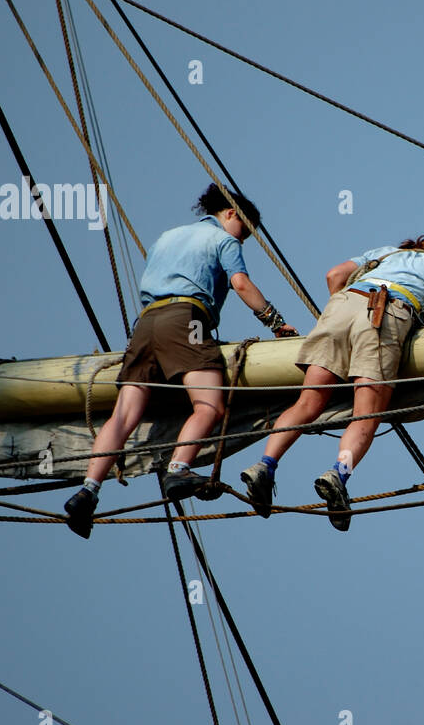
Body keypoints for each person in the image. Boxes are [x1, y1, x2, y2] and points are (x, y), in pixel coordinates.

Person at [63, 184, 296, 538]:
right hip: (188, 319)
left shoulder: (166, 237)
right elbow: (240, 283)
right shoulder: (224, 240)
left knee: (123, 416)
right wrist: (276, 323)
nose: (241, 239)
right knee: (209, 406)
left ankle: (88, 491)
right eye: (243, 232)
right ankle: (179, 468)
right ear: (231, 214)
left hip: (145, 327)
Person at [240, 236, 424, 530]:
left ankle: (265, 465)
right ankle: (337, 474)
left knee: (307, 403)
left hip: (340, 308)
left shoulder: (385, 253)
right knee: (366, 415)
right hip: (384, 313)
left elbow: (334, 275)